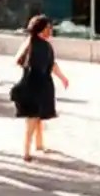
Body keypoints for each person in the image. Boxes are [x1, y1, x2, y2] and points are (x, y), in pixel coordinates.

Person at [12, 14, 70, 162]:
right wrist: (62, 77)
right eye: (48, 28)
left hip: (30, 85)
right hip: (37, 86)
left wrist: (62, 77)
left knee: (37, 117)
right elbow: (51, 66)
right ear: (42, 30)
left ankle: (39, 144)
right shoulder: (42, 46)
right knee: (33, 118)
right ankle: (26, 150)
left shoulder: (30, 43)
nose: (51, 30)